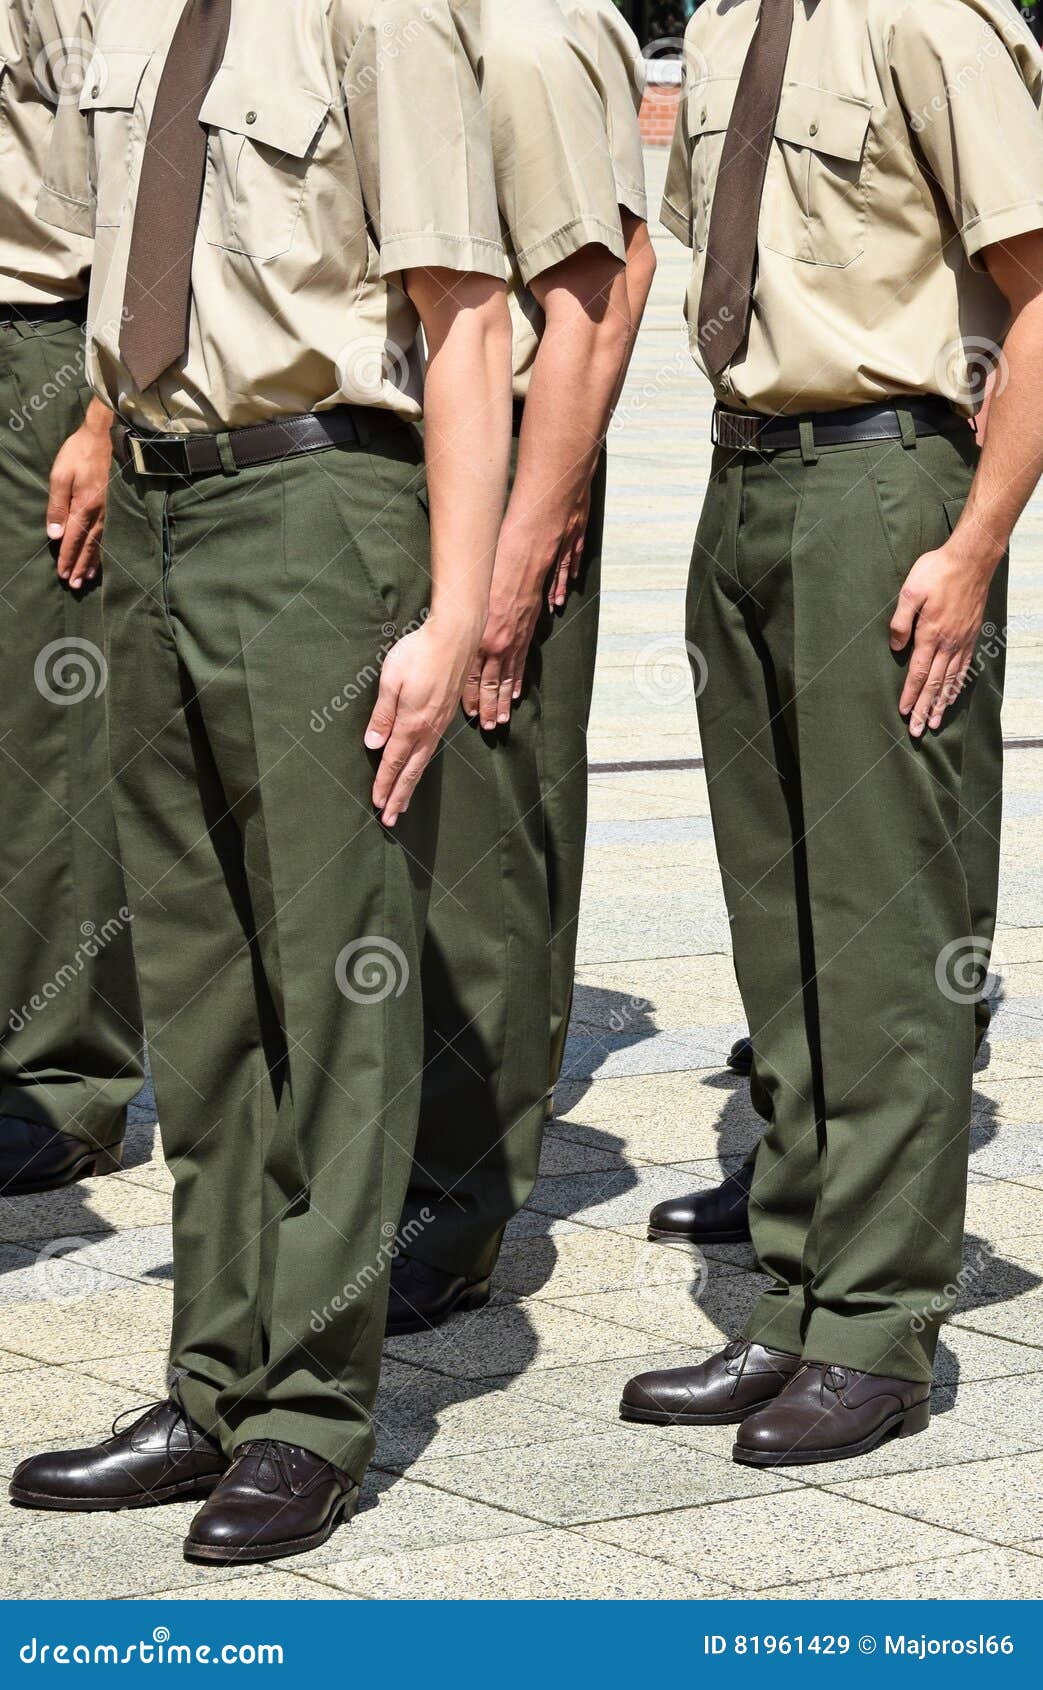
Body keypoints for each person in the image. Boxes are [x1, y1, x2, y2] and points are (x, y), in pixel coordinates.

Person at [11, 0, 511, 1566]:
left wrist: (447, 611)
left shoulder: (381, 19)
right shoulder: (146, 18)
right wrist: (101, 418)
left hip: (314, 509)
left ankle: (306, 1411)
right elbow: (142, 260)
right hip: (158, 505)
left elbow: (469, 316)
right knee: (199, 986)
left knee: (330, 984)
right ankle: (211, 1377)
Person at [623, 0, 1043, 1466]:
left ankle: (873, 1327)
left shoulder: (927, 19)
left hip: (884, 487)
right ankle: (793, 1293)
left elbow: (1037, 286)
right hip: (742, 480)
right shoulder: (733, 23)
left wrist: (973, 541)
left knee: (881, 921)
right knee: (781, 926)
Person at [387, 0, 656, 1335]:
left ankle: (456, 1208)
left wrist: (521, 541)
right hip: (409, 464)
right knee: (412, 844)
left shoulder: (531, 37)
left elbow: (601, 292)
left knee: (480, 857)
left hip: (498, 465)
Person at [0, 0, 142, 1197]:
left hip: (45, 342)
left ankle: (63, 1081)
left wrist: (102, 412)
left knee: (50, 724)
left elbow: (137, 192)